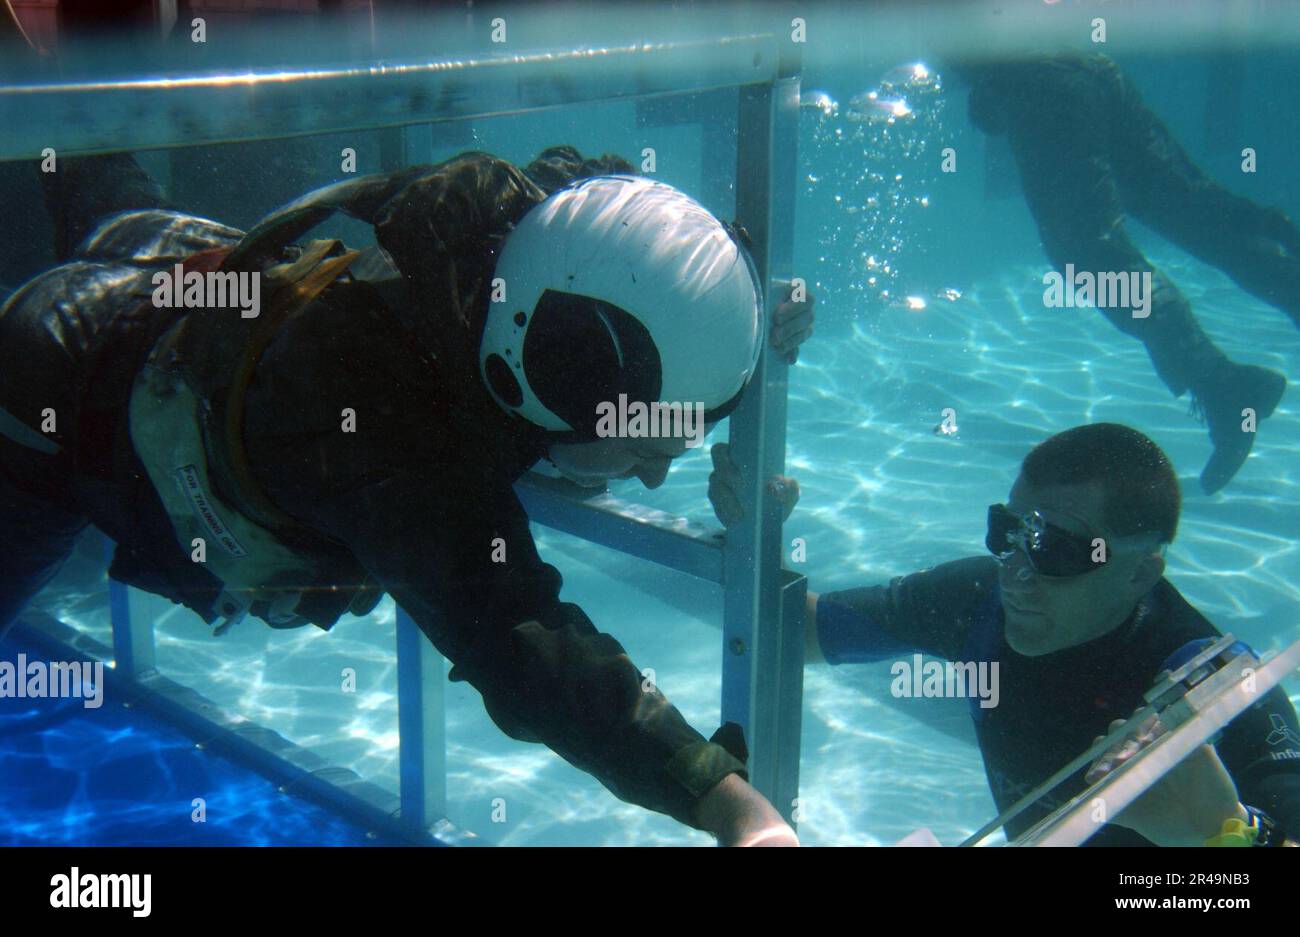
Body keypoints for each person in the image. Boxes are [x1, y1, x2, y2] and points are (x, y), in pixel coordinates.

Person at [0, 144, 813, 846]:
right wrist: (726, 800)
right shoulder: (382, 435)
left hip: (174, 258)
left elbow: (632, 217)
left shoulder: (524, 237)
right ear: (557, 377)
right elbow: (525, 643)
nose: (651, 475)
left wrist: (747, 293)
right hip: (57, 386)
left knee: (98, 180)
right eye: (642, 445)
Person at [710, 423, 1300, 845]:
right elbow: (794, 633)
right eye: (1009, 531)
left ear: (1141, 572)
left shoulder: (1213, 687)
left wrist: (1226, 838)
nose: (1017, 573)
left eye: (1058, 547)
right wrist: (754, 536)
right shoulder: (978, 601)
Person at [955, 53, 1296, 494]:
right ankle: (1278, 246)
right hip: (1087, 64)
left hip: (1037, 81)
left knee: (1092, 253)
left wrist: (992, 80)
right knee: (1189, 204)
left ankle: (1222, 386)